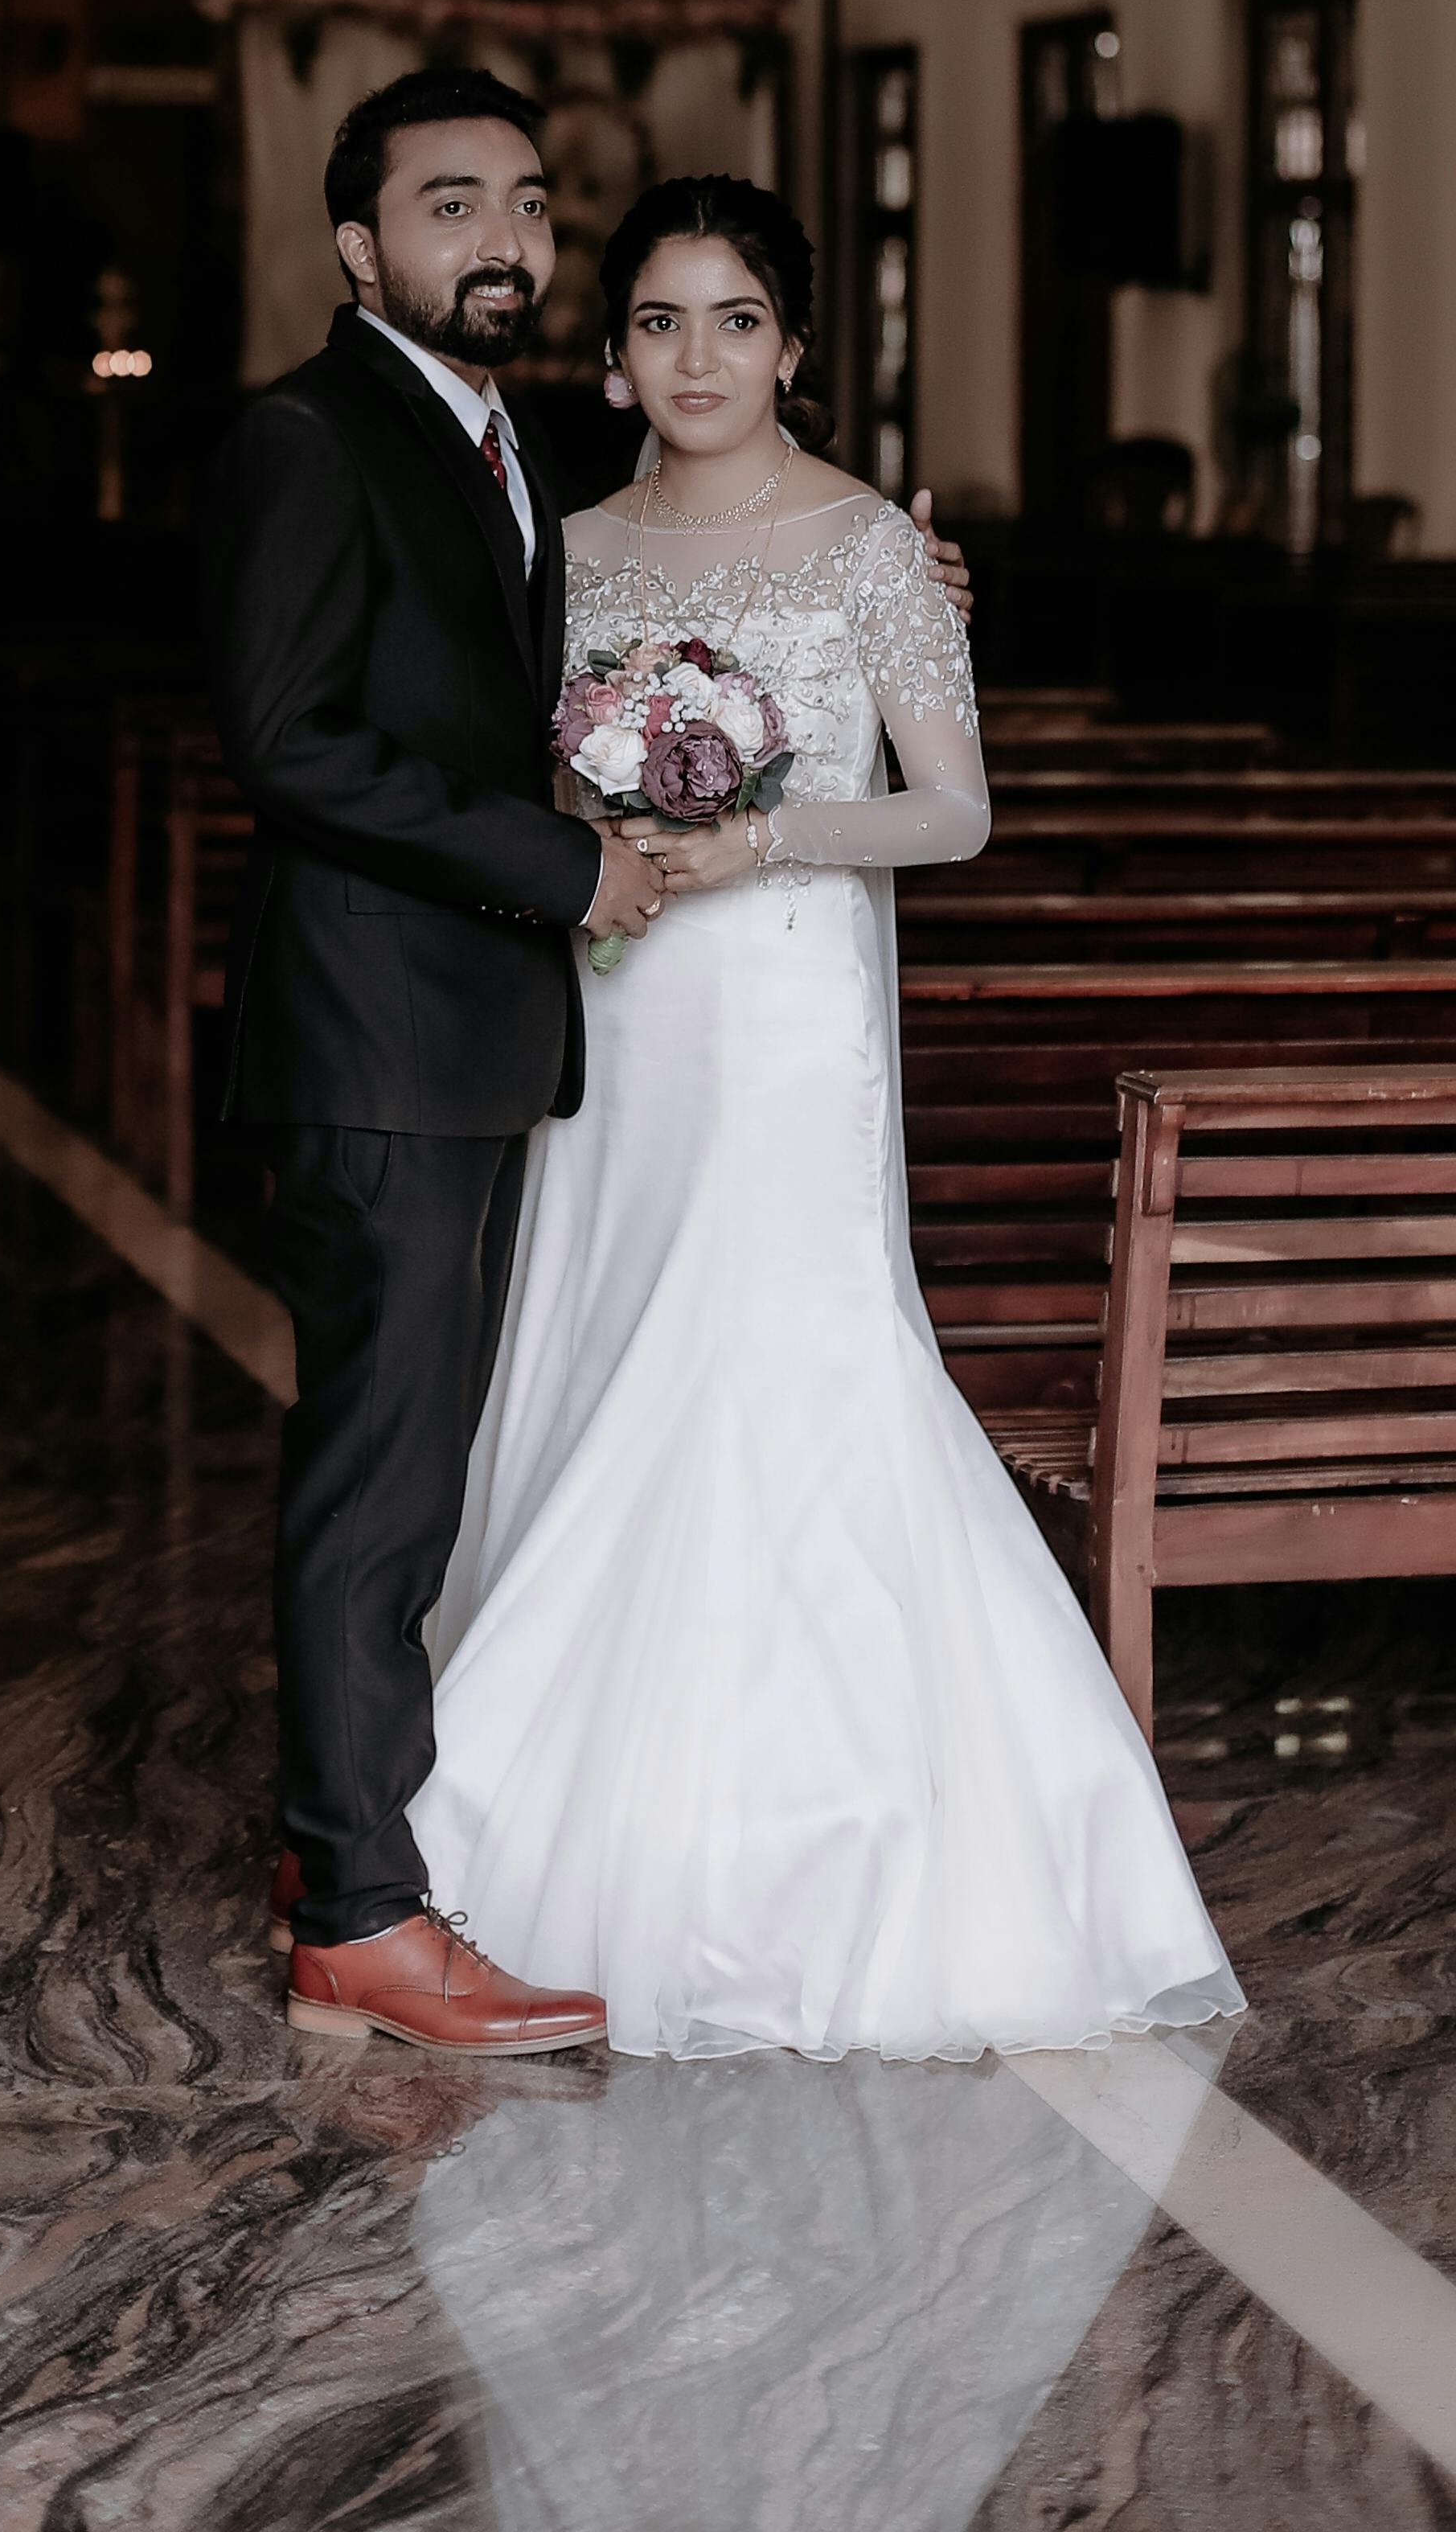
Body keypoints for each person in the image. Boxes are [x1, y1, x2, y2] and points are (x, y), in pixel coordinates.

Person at [409, 173, 1241, 2059]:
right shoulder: (571, 540)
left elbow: (955, 810)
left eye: (733, 321)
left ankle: (815, 1843)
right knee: (604, 1347)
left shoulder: (875, 549)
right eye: (655, 323)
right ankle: (508, 1840)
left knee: (780, 1363)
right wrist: (599, 843)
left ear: (793, 346)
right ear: (612, 361)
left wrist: (758, 830)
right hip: (617, 1010)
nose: (695, 358)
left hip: (785, 1012)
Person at [206, 76, 972, 2060]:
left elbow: (583, 655)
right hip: (399, 1025)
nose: (503, 242)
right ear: (360, 244)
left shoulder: (518, 458)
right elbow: (291, 742)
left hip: (537, 1028)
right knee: (391, 1463)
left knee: (448, 1452)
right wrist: (580, 861)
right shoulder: (311, 434)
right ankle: (363, 1901)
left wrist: (889, 591)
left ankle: (366, 1831)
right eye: (449, 205)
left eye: (529, 207)